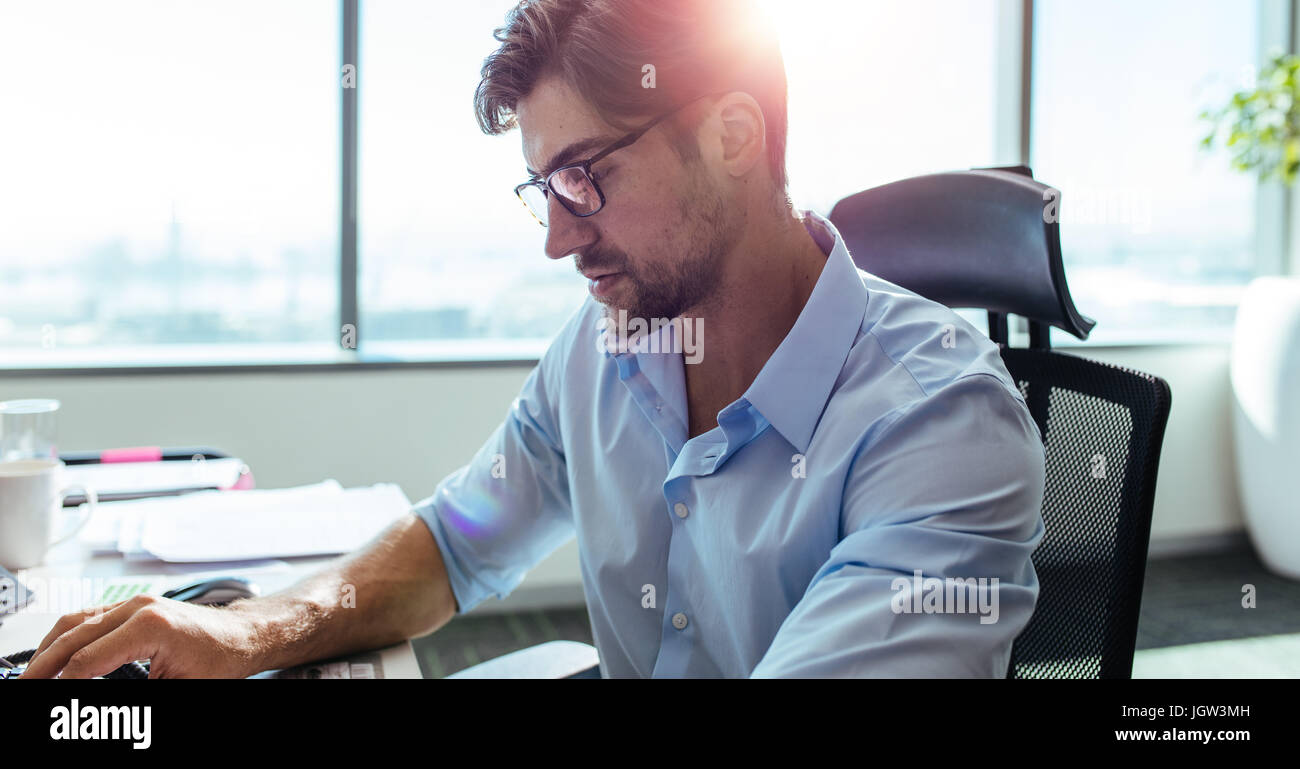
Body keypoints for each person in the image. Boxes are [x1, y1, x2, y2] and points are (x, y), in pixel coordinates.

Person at [20, 0, 1045, 679]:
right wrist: (250, 626)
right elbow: (454, 542)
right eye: (542, 187)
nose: (559, 236)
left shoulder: (943, 426)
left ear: (732, 136)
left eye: (585, 176)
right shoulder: (607, 352)